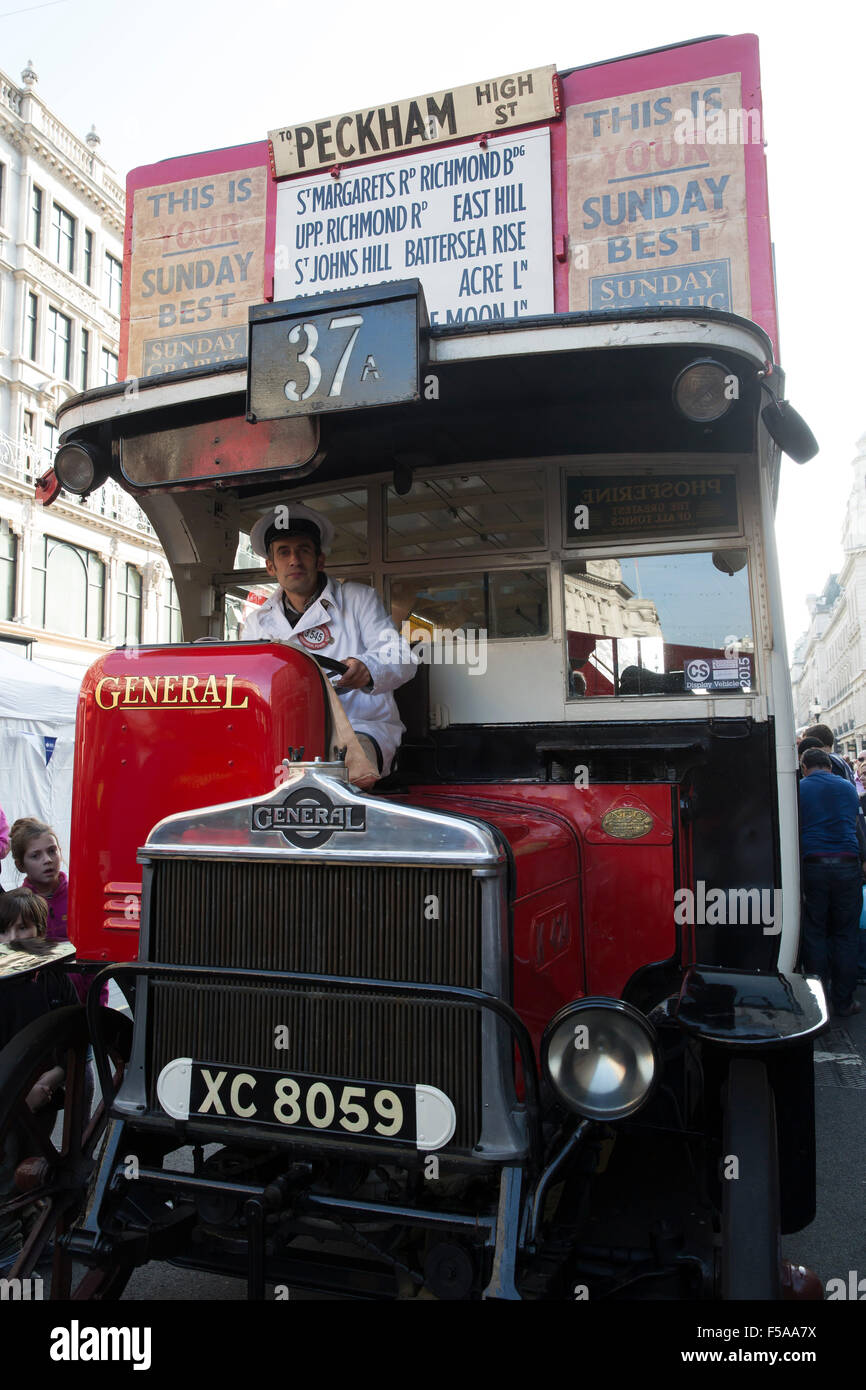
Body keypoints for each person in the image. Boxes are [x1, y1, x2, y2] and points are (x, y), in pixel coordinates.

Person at [240, 502, 417, 776]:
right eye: (284, 552)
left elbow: (402, 657)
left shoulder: (359, 599)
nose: (294, 560)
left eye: (303, 551)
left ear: (319, 560)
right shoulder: (256, 622)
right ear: (271, 567)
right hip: (284, 733)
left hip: (360, 727)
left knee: (342, 771)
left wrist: (368, 667)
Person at [9, 818, 104, 1005]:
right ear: (21, 865)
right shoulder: (18, 909)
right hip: (40, 1011)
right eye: (35, 855)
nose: (47, 860)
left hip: (83, 1005)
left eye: (52, 850)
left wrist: (98, 1007)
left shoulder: (81, 897)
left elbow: (96, 960)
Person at [798, 748, 864, 1017]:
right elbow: (857, 825)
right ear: (829, 765)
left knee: (815, 933)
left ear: (804, 767)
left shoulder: (800, 789)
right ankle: (844, 1001)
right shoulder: (848, 788)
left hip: (813, 865)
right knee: (846, 935)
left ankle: (817, 1001)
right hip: (848, 864)